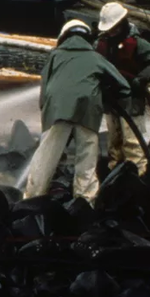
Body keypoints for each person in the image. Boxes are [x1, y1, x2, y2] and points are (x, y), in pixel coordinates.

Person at [23, 19, 129, 204]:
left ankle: (33, 198)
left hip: (57, 111)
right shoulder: (96, 58)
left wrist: (47, 117)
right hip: (88, 112)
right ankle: (85, 200)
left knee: (46, 156)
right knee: (86, 156)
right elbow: (124, 86)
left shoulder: (56, 56)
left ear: (64, 37)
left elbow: (44, 91)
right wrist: (105, 95)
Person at [94, 2, 150, 176]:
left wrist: (142, 79)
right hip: (111, 100)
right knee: (114, 141)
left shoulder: (137, 44)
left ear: (121, 23)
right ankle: (115, 173)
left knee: (132, 142)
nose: (111, 31)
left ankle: (138, 175)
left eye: (113, 28)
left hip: (131, 100)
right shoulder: (101, 44)